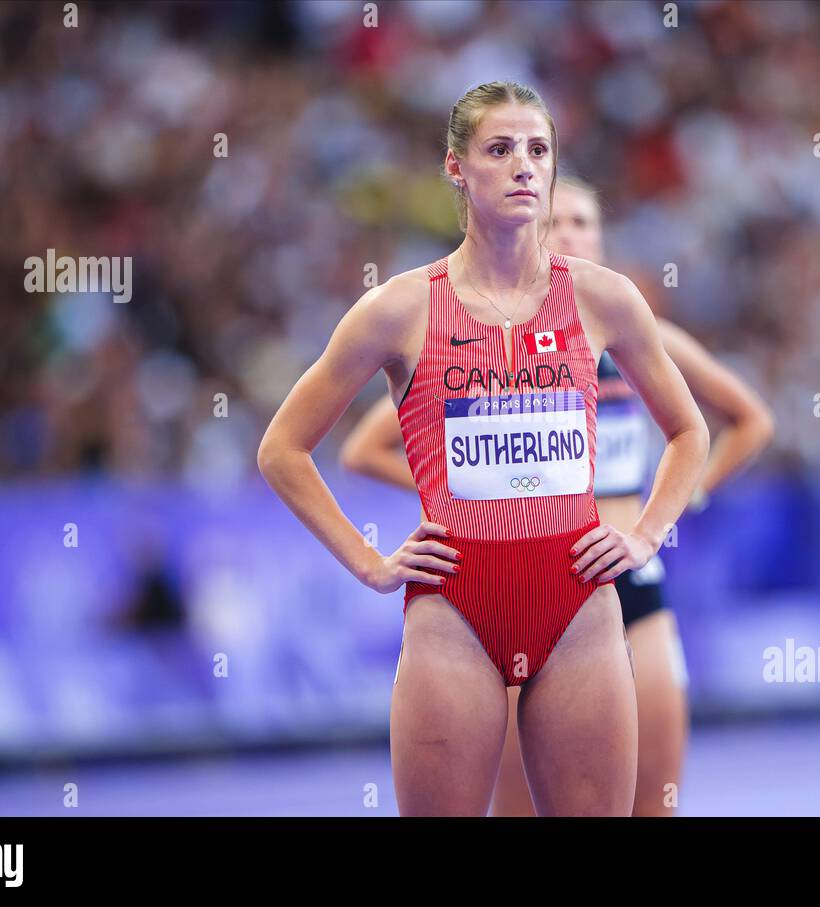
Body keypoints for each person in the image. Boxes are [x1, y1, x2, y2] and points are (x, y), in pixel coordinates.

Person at [257, 80, 709, 816]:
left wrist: (645, 532)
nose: (524, 166)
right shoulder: (398, 308)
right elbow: (282, 449)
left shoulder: (603, 298)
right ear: (456, 169)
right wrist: (370, 562)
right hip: (455, 612)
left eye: (538, 150)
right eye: (500, 150)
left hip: (579, 608)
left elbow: (691, 430)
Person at [340, 174, 773, 816]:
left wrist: (677, 504)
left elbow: (742, 422)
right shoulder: (490, 340)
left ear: (600, 238)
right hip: (524, 577)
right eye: (557, 222)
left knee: (655, 800)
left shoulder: (638, 332)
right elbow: (364, 448)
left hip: (622, 572)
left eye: (583, 223)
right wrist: (465, 495)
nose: (569, 233)